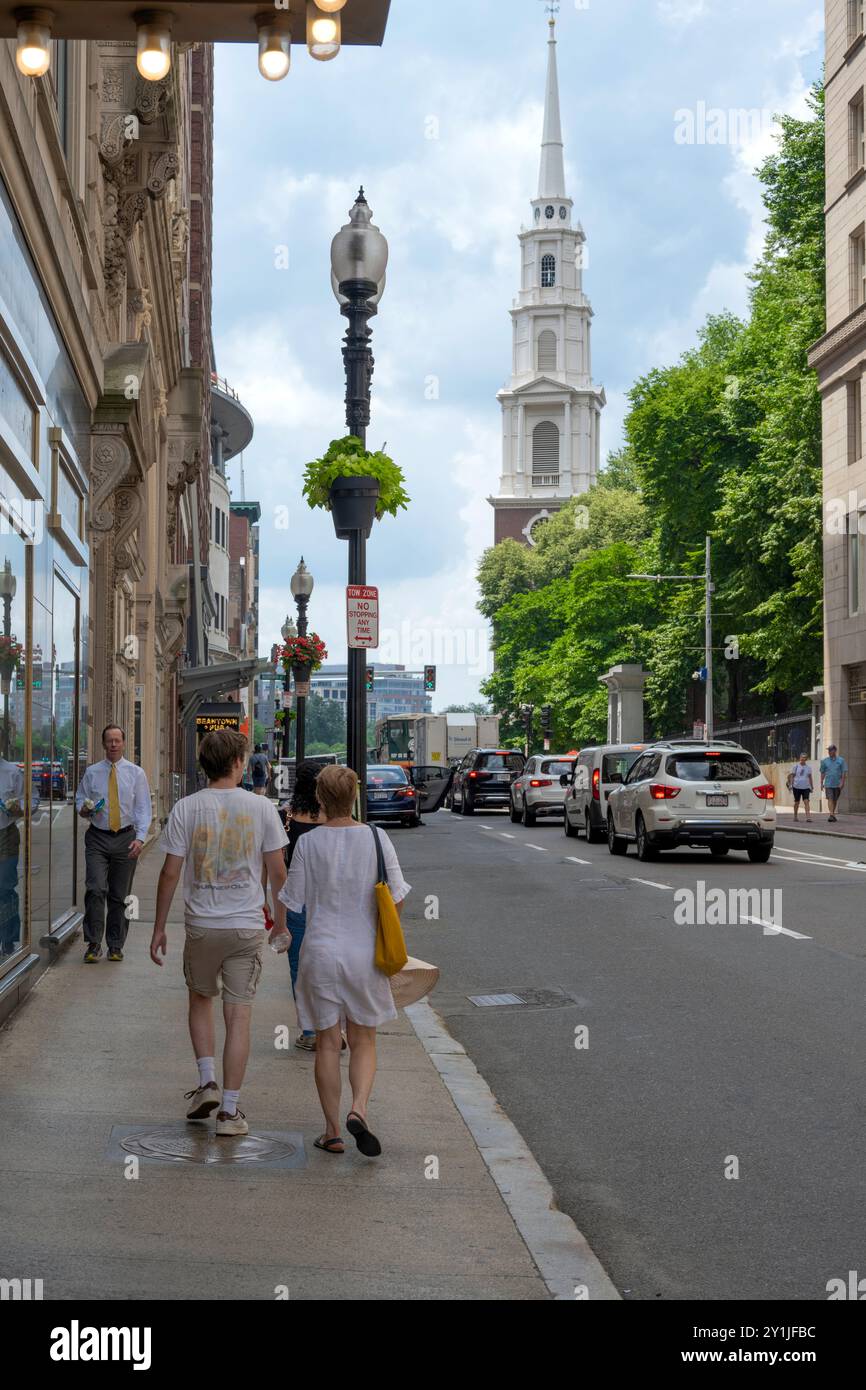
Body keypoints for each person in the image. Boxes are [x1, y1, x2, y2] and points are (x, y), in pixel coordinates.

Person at [150, 728, 289, 1135]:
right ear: (238, 764)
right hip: (246, 926)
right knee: (239, 1016)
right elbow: (278, 872)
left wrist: (159, 927)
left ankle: (206, 1080)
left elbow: (170, 873)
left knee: (199, 1000)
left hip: (202, 926)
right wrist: (279, 922)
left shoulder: (186, 808)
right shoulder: (261, 808)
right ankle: (229, 1111)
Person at [278, 763, 411, 1158]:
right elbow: (398, 896)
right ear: (354, 796)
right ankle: (359, 1109)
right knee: (363, 1038)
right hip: (363, 952)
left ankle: (332, 1131)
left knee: (326, 1043)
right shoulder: (377, 838)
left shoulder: (308, 843)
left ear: (320, 799)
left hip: (319, 951)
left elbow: (293, 900)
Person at [75, 724, 151, 963]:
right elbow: (80, 800)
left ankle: (116, 945)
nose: (114, 744)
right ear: (103, 744)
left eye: (118, 740)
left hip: (126, 838)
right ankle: (93, 943)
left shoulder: (136, 773)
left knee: (120, 895)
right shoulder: (92, 772)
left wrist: (140, 838)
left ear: (124, 743)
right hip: (97, 836)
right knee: (95, 888)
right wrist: (84, 809)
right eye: (110, 740)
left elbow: (143, 809)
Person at [282, 760, 322, 1051]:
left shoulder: (286, 816)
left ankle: (309, 1031)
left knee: (299, 966)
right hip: (328, 899)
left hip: (296, 899)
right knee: (329, 964)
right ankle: (332, 1028)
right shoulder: (333, 818)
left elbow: (276, 863)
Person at [0, 755, 25, 959]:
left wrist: (18, 808)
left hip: (5, 834)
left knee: (5, 886)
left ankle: (8, 940)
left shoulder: (13, 772)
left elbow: (28, 801)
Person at [819, 744, 847, 823]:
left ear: (835, 751)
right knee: (830, 798)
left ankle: (833, 814)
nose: (829, 752)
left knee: (835, 799)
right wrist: (821, 783)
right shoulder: (824, 761)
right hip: (828, 784)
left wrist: (842, 782)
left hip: (837, 784)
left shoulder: (841, 760)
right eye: (828, 750)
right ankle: (831, 814)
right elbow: (822, 772)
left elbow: (844, 772)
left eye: (830, 750)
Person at [787, 753, 813, 823]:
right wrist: (791, 785)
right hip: (797, 787)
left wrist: (811, 786)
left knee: (806, 801)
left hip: (806, 787)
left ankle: (808, 817)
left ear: (806, 759)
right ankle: (795, 816)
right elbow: (792, 776)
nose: (803, 759)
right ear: (800, 758)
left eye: (805, 758)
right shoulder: (796, 766)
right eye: (802, 757)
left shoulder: (808, 768)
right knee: (797, 802)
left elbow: (810, 777)